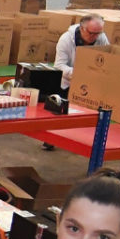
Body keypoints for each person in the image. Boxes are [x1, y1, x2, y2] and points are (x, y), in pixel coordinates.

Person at [45, 13, 108, 150]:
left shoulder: (101, 38)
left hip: (92, 81)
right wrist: (80, 75)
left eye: (98, 33)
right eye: (92, 33)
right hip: (67, 81)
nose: (95, 37)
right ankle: (50, 138)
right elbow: (59, 66)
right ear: (82, 28)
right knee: (60, 108)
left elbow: (108, 60)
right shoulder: (66, 39)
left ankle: (90, 140)